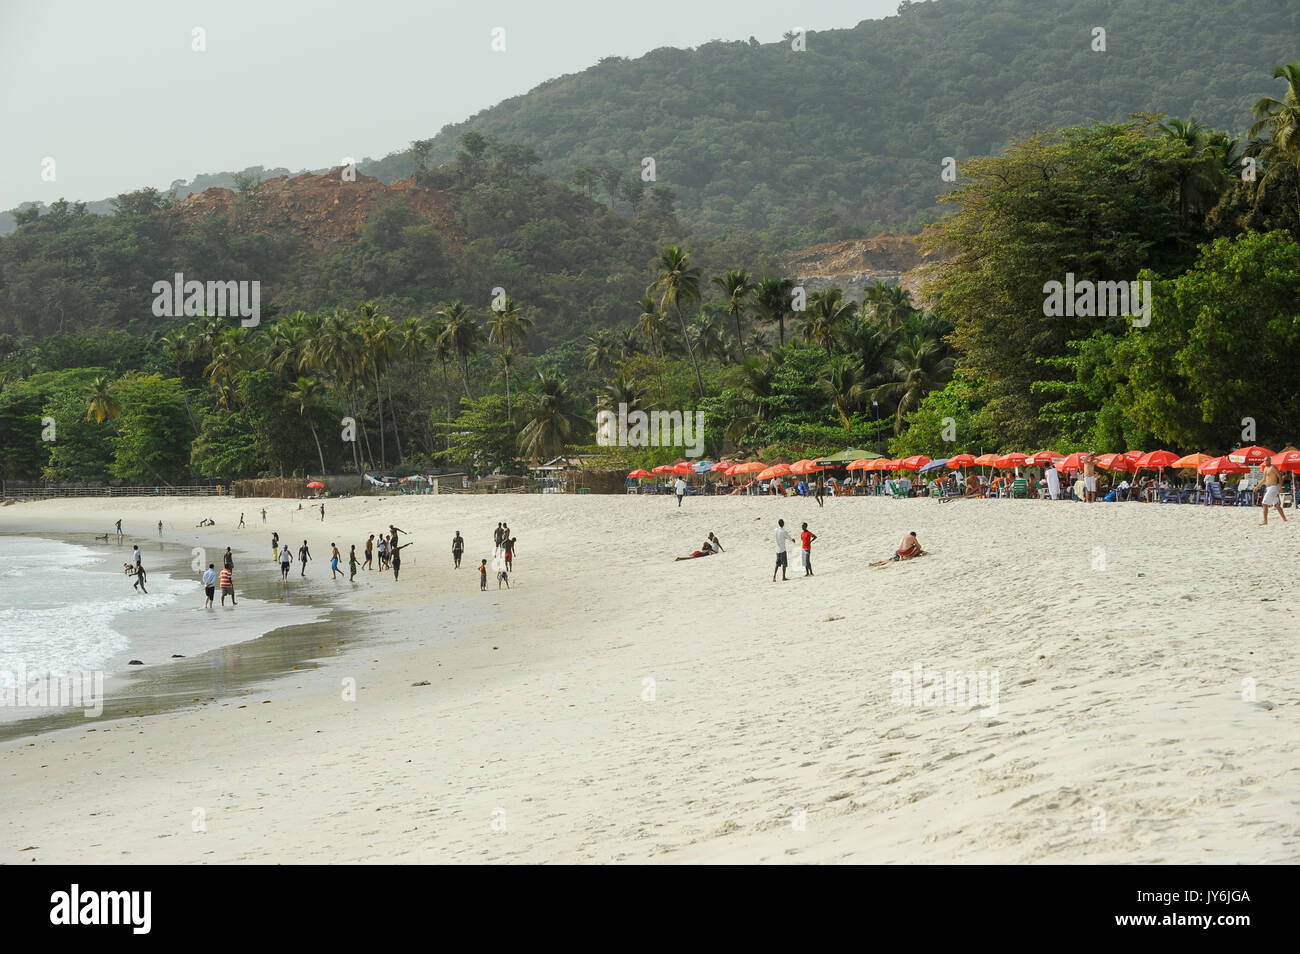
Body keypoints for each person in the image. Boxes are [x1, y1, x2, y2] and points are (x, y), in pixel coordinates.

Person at [1259, 461, 1287, 526]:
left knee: (1264, 504)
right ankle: (1285, 519)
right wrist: (1257, 487)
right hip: (1269, 488)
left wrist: (1280, 487)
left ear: (1269, 461)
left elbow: (1280, 476)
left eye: (1267, 460)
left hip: (1273, 487)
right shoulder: (1265, 468)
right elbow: (1264, 479)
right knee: (1277, 505)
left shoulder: (1273, 467)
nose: (1266, 462)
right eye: (1265, 460)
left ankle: (1265, 521)